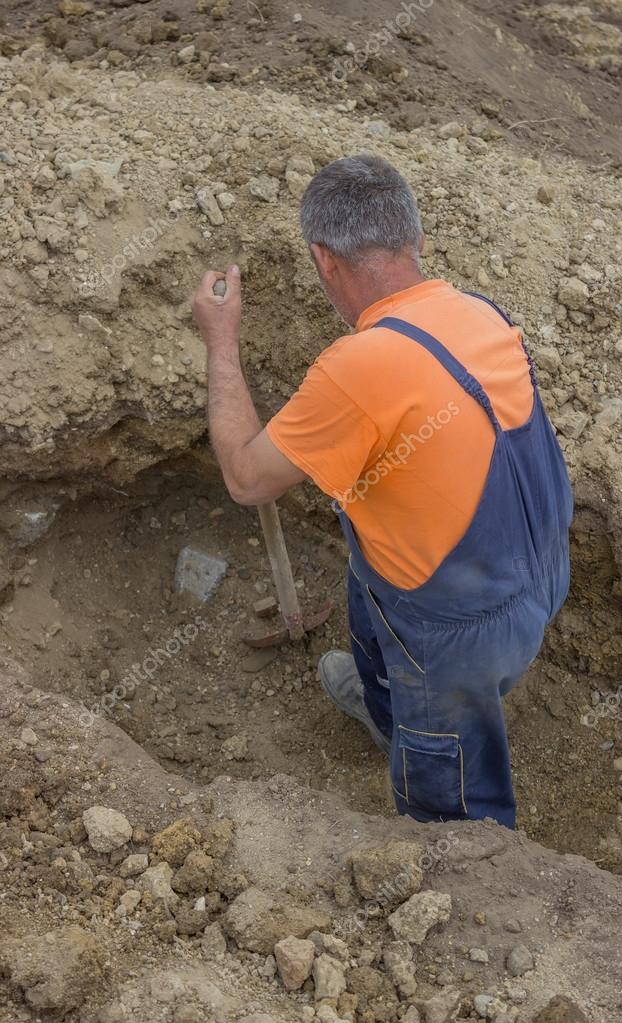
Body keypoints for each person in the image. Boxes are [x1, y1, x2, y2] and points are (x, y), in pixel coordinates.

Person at [191, 153, 573, 829]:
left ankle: (457, 840)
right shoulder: (479, 313)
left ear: (325, 261)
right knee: (368, 581)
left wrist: (221, 341)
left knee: (451, 804)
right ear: (417, 238)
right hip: (542, 569)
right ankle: (386, 711)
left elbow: (247, 478)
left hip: (458, 635)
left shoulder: (357, 368)